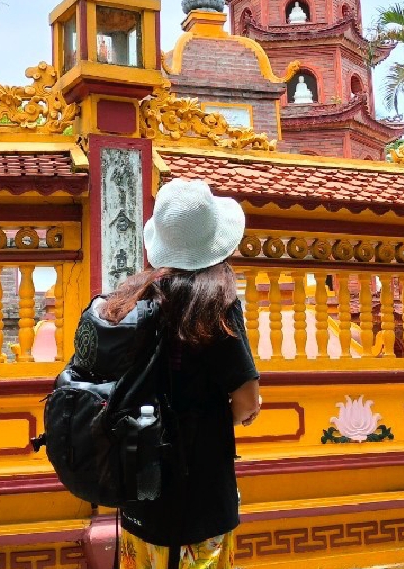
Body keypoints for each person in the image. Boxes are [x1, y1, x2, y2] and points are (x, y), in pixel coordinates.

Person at [101, 178, 261, 569]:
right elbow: (246, 402)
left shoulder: (129, 299)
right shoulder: (216, 305)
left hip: (139, 489)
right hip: (200, 494)